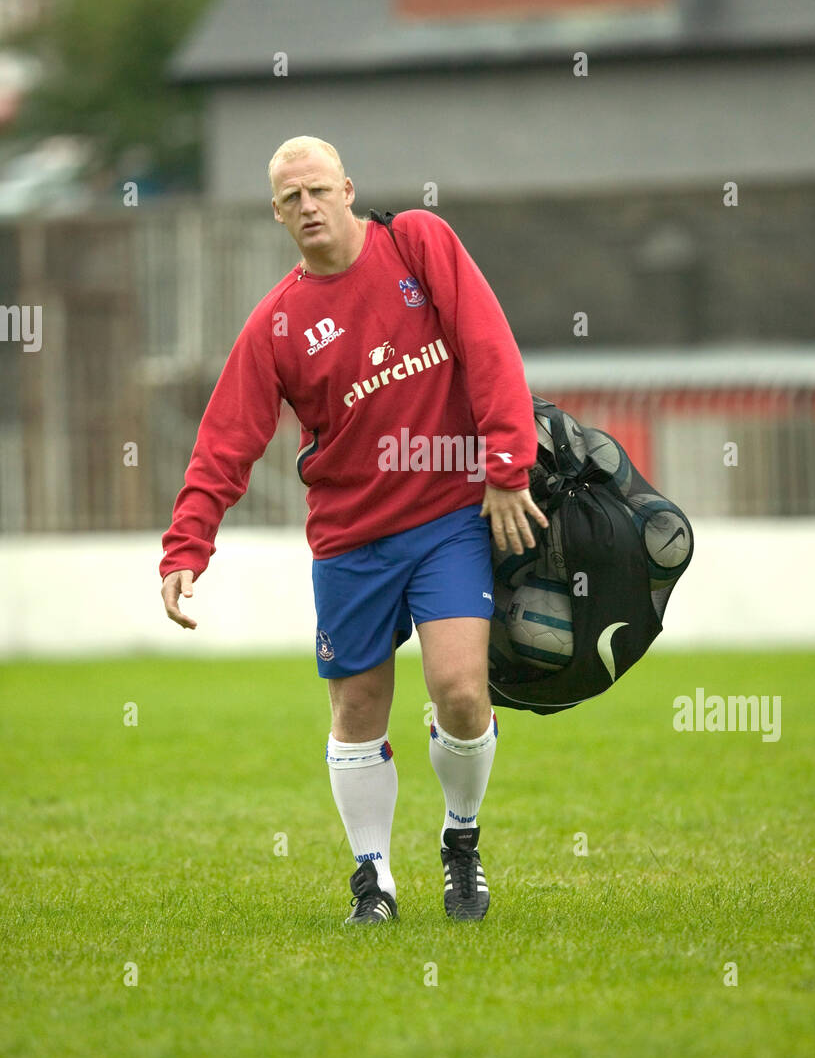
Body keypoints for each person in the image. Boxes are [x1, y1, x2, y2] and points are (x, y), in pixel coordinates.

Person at [159, 135, 545, 924]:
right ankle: (374, 878)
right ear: (276, 214)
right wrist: (186, 545)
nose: (307, 207)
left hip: (447, 517)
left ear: (347, 190)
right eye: (290, 199)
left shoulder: (418, 243)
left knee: (462, 692)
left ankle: (460, 845)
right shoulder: (277, 324)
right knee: (358, 709)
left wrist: (507, 464)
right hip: (349, 539)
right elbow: (226, 439)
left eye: (318, 191)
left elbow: (488, 346)